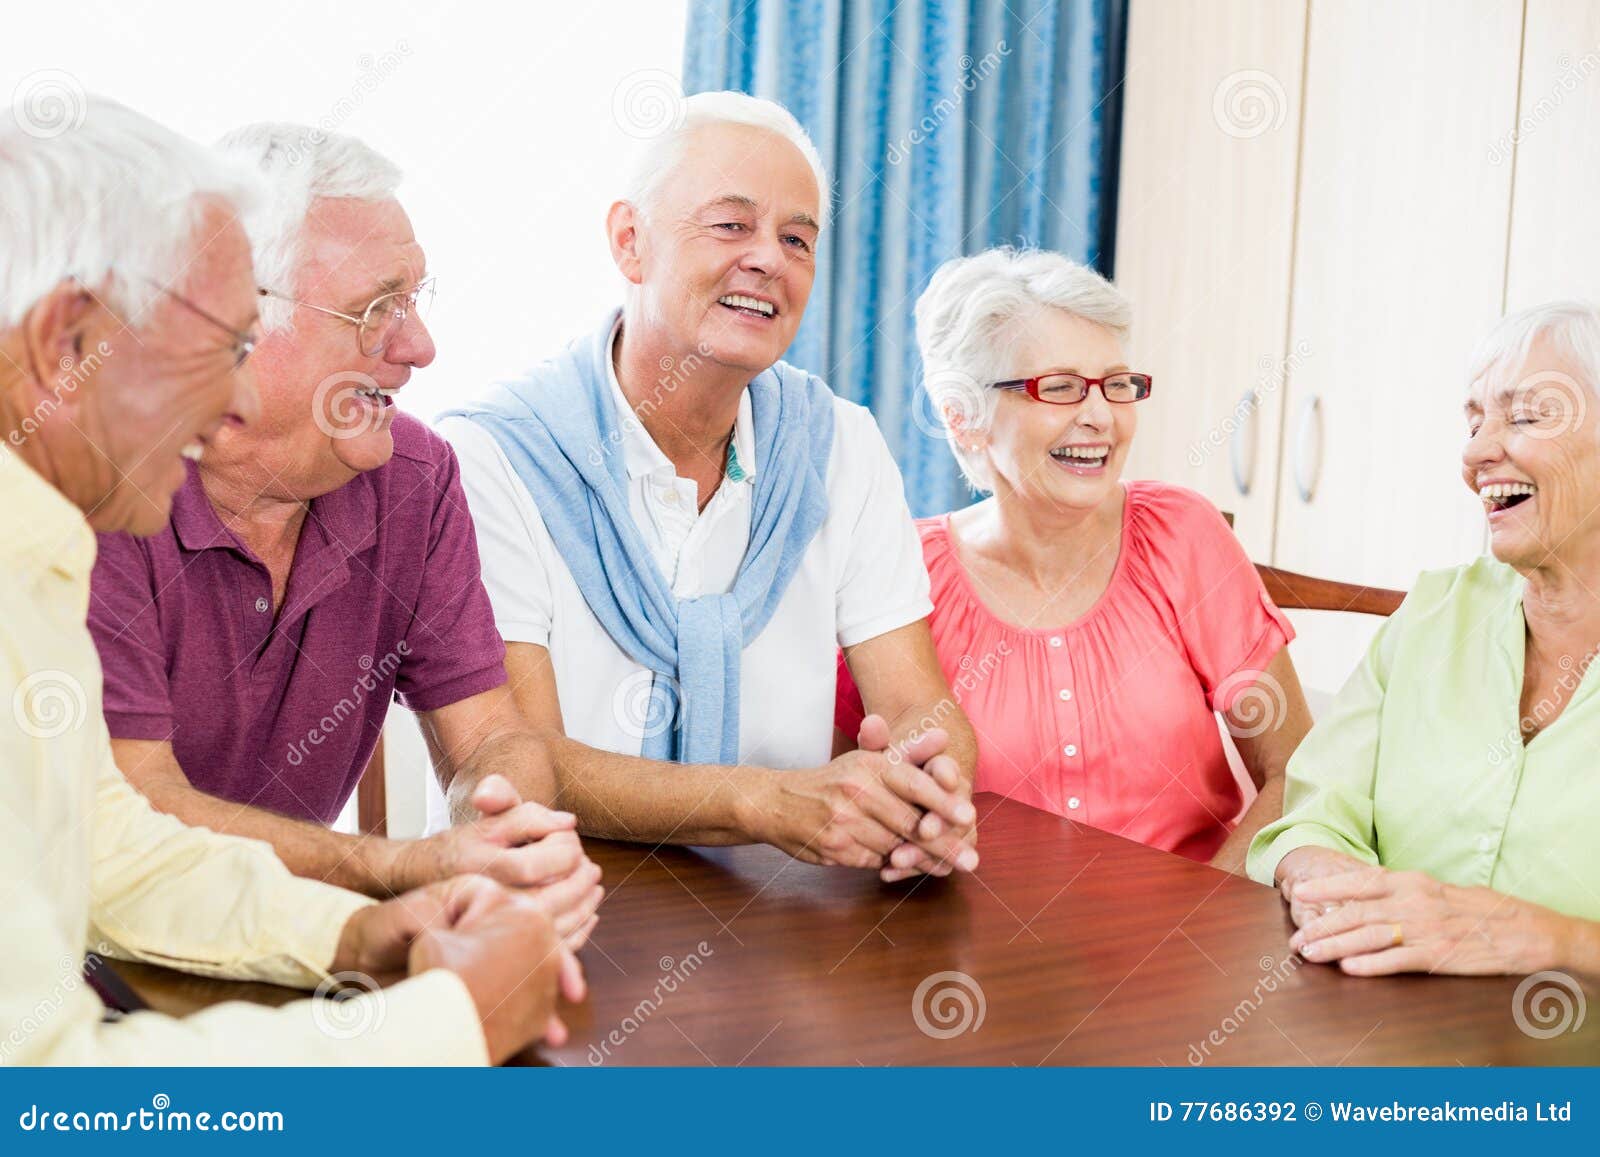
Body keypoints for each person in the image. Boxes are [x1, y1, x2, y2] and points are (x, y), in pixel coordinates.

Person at [0, 96, 580, 1065]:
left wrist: (354, 929)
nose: (232, 397)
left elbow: (109, 846)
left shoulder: (42, 541)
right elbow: (50, 1093)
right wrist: (449, 1024)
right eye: (220, 349)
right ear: (69, 343)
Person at [439, 92, 978, 883]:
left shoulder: (844, 445)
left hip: (781, 925)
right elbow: (520, 760)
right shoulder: (490, 455)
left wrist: (930, 787)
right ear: (630, 242)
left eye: (798, 238)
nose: (769, 258)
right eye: (731, 224)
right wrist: (760, 802)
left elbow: (918, 705)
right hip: (545, 913)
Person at [839, 248, 1312, 869]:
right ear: (963, 419)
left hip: (1189, 941)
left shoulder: (1181, 535)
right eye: (1059, 388)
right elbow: (853, 806)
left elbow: (1296, 772)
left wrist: (1204, 920)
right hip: (981, 953)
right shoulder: (900, 573)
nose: (1100, 417)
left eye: (1117, 385)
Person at [1249, 303, 1600, 979]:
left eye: (1524, 416)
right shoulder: (1434, 612)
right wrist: (1326, 877)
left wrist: (1550, 939)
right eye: (1474, 423)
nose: (1473, 454)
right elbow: (1312, 816)